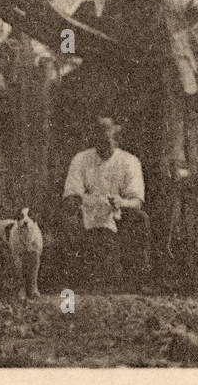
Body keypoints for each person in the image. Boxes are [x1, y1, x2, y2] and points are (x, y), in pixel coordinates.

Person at [62, 116, 148, 287]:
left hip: (118, 212)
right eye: (99, 140)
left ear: (117, 140)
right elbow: (72, 194)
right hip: (88, 210)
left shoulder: (129, 161)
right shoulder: (81, 159)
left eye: (108, 140)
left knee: (140, 218)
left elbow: (137, 200)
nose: (104, 145)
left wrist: (121, 202)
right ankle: (76, 279)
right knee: (69, 219)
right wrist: (84, 203)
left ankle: (135, 279)